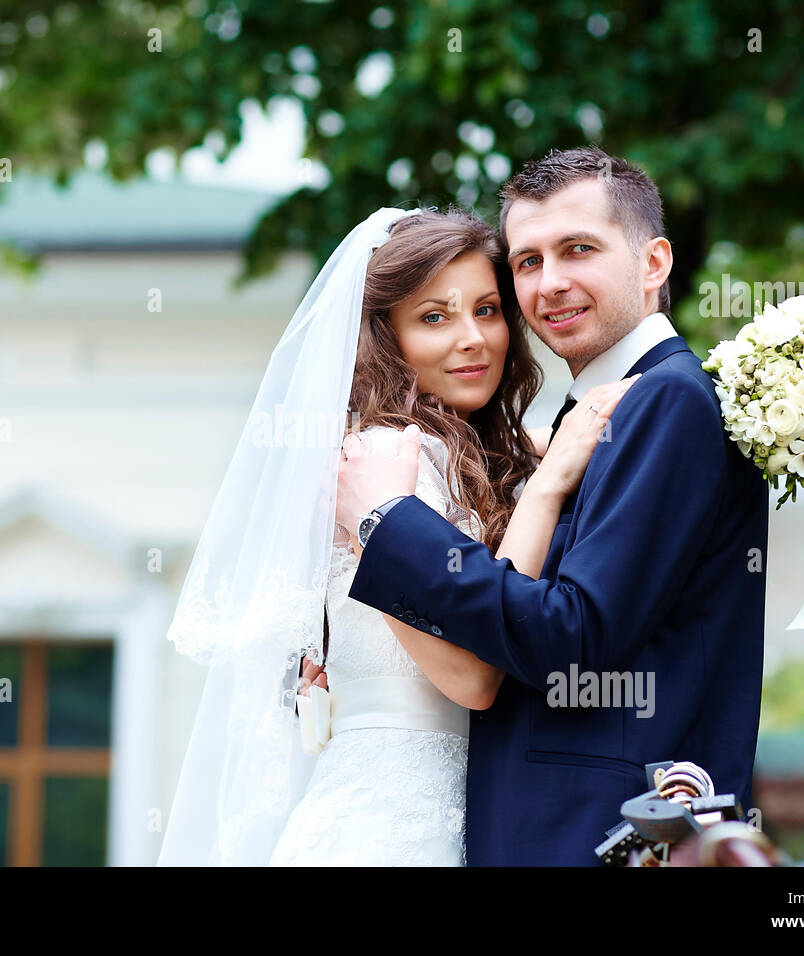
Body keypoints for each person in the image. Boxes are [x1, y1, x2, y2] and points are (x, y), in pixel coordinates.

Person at [336, 146, 770, 866]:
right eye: (528, 261)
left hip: (594, 831)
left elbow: (575, 631)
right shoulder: (586, 417)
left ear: (654, 263)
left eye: (578, 250)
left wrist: (385, 525)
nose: (550, 283)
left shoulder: (665, 399)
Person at [158, 206, 632, 865]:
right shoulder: (388, 463)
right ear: (389, 339)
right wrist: (549, 484)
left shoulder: (464, 456)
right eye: (434, 317)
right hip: (386, 828)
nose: (473, 339)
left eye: (488, 310)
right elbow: (472, 676)